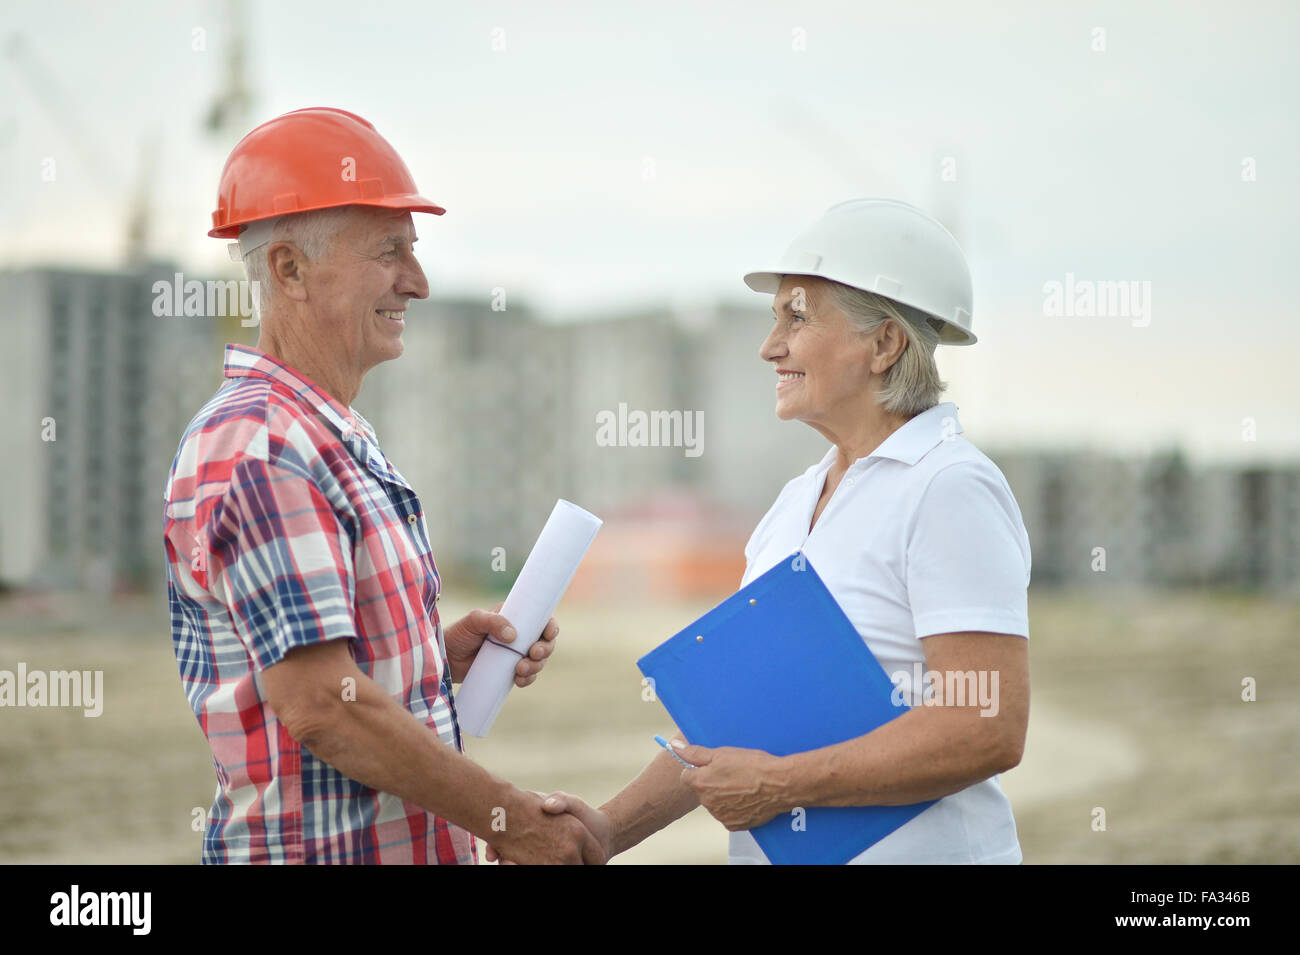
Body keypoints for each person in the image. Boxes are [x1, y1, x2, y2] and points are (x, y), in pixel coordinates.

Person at [509, 198, 1032, 864]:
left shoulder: (948, 485)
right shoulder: (792, 505)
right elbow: (737, 727)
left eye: (799, 316)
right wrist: (606, 832)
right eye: (774, 317)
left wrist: (780, 785)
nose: (769, 345)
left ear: (885, 344)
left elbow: (986, 727)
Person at [164, 107, 604, 864]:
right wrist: (511, 821)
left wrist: (434, 659)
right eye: (389, 251)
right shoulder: (263, 445)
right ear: (289, 270)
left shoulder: (328, 433)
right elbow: (321, 708)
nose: (419, 282)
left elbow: (323, 678)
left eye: (414, 250)